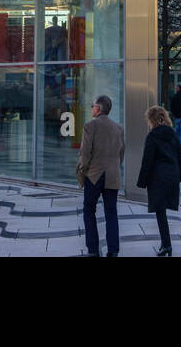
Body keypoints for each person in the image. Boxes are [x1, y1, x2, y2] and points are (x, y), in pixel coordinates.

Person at [76, 94, 124, 258]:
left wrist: (82, 171)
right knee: (111, 213)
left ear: (98, 108)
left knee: (89, 210)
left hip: (94, 174)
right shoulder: (118, 128)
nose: (91, 108)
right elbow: (121, 153)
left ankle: (93, 250)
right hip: (113, 175)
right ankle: (113, 251)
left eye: (93, 105)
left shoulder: (90, 126)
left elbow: (85, 153)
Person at [137, 106, 181, 257]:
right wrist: (180, 176)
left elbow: (147, 161)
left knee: (160, 211)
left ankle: (167, 245)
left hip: (158, 177)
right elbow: (180, 157)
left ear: (151, 120)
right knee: (162, 210)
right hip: (172, 175)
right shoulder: (173, 134)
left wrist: (142, 182)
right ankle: (166, 244)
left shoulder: (152, 136)